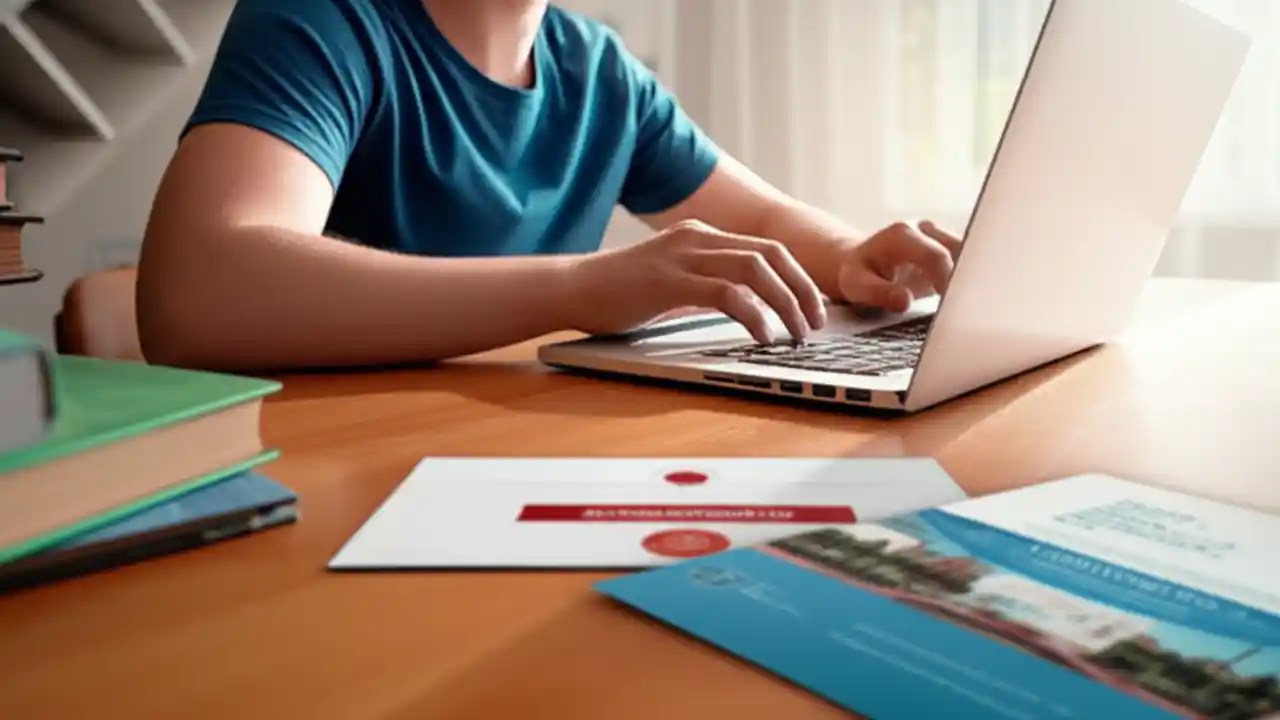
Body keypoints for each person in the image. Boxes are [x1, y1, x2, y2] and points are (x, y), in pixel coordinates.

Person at [137, 0, 962, 372]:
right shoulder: (320, 21)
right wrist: (579, 286)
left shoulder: (594, 66)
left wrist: (851, 253)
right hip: (336, 487)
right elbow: (198, 291)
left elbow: (758, 216)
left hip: (517, 456)